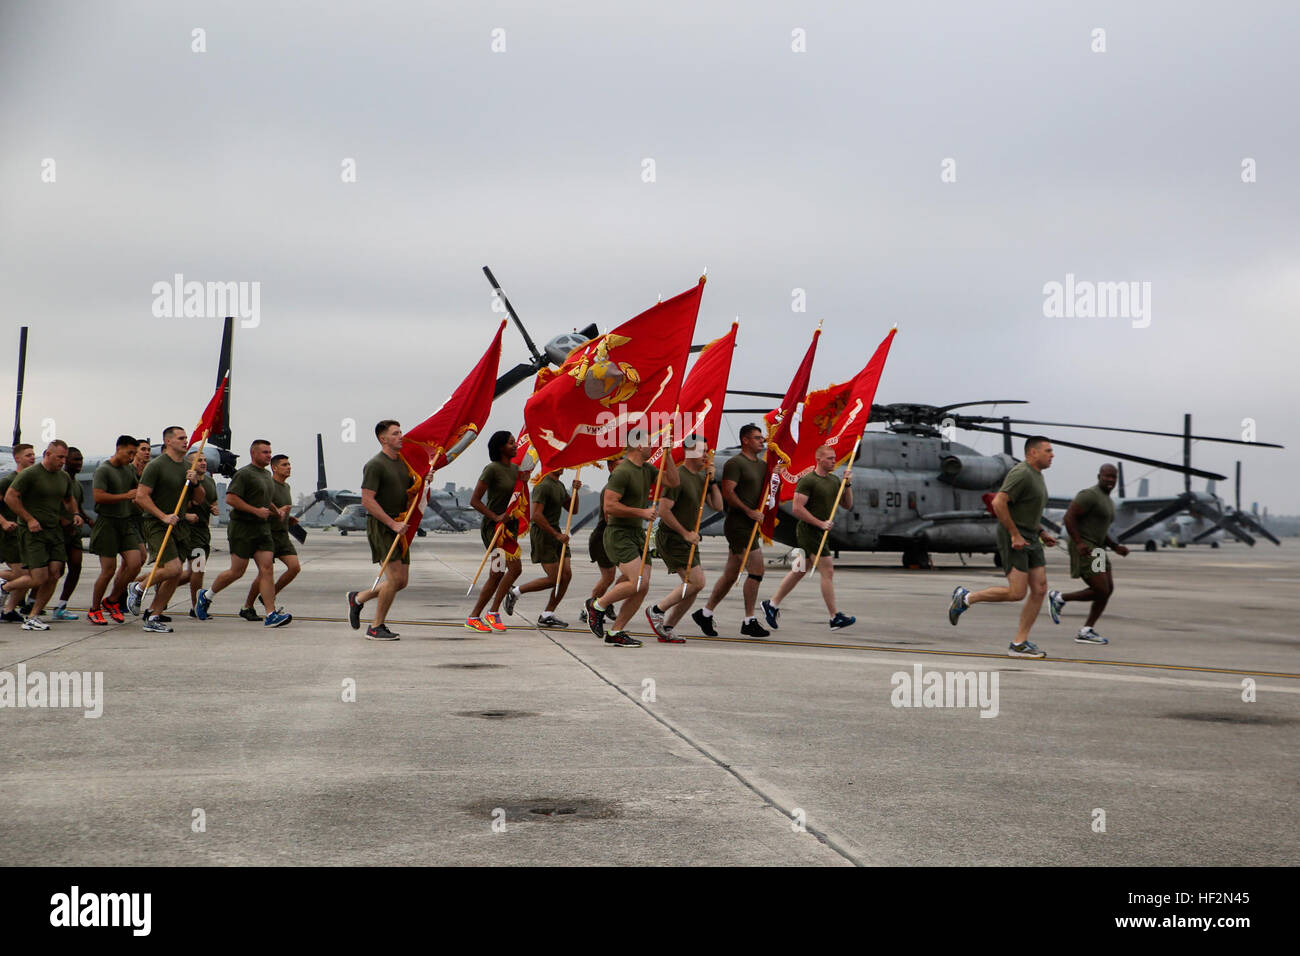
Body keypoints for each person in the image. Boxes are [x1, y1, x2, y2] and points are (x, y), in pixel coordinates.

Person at [948, 436, 1058, 658]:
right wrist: (1015, 535)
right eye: (1047, 450)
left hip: (1030, 536)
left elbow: (1024, 509)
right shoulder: (1022, 473)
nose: (1052, 454)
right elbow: (999, 503)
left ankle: (1019, 643)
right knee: (1017, 593)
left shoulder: (1037, 476)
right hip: (1015, 537)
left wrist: (1042, 532)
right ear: (1032, 453)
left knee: (1040, 589)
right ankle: (967, 598)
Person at [585, 428, 679, 648]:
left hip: (636, 534)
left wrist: (669, 453)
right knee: (637, 581)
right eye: (650, 443)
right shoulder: (622, 472)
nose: (652, 446)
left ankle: (616, 631)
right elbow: (610, 506)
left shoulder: (647, 469)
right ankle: (597, 606)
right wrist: (641, 513)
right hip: (618, 534)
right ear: (639, 445)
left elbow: (673, 482)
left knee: (643, 586)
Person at [195, 440, 291, 628]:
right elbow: (231, 498)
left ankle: (270, 614)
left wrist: (275, 510)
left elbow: (266, 498)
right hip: (242, 528)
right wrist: (255, 511)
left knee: (267, 569)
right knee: (237, 571)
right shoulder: (244, 474)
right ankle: (206, 596)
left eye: (269, 452)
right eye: (264, 452)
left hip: (262, 529)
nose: (268, 455)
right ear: (253, 453)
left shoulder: (265, 475)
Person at [760, 444, 856, 631]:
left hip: (821, 532)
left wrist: (848, 485)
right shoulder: (808, 481)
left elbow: (847, 504)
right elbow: (797, 508)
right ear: (818, 460)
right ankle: (834, 616)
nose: (834, 461)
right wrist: (820, 523)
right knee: (827, 571)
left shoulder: (835, 480)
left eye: (834, 458)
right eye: (829, 458)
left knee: (800, 570)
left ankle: (771, 604)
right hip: (810, 531)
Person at [693, 423, 769, 637]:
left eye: (761, 438)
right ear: (745, 440)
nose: (761, 441)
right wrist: (749, 511)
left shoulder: (762, 466)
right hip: (738, 525)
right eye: (757, 438)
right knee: (757, 570)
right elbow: (728, 493)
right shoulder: (735, 463)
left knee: (731, 574)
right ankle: (749, 620)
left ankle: (705, 613)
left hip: (752, 524)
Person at [644, 438, 723, 643]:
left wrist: (712, 481)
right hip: (673, 537)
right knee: (696, 582)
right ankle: (656, 610)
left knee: (693, 588)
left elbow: (718, 506)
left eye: (707, 451)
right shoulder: (678, 477)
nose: (706, 455)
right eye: (702, 451)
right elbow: (664, 510)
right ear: (688, 451)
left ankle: (668, 627)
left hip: (689, 539)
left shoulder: (699, 478)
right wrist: (684, 533)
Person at [127, 426, 204, 633]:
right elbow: (141, 496)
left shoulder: (187, 467)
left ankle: (154, 615)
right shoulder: (157, 466)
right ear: (168, 441)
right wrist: (162, 516)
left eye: (186, 438)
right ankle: (138, 587)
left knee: (173, 576)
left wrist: (195, 482)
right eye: (180, 438)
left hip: (179, 526)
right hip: (157, 524)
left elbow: (198, 500)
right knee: (173, 568)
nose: (185, 441)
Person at [345, 421, 413, 641]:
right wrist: (391, 524)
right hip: (382, 525)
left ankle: (358, 598)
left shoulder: (403, 464)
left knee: (402, 581)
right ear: (383, 439)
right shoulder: (375, 465)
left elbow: (410, 492)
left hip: (400, 526)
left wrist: (424, 481)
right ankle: (376, 627)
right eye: (395, 433)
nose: (401, 436)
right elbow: (367, 500)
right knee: (393, 579)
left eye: (401, 432)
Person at [2, 440, 81, 630]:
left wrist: (75, 514)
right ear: (47, 454)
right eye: (59, 457)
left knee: (54, 574)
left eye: (64, 457)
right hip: (32, 532)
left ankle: (33, 616)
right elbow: (10, 497)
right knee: (38, 577)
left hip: (53, 532)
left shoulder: (63, 478)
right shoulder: (31, 474)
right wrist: (28, 519)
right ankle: (3, 587)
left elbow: (68, 499)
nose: (63, 461)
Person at [1049, 463, 1129, 645]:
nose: (1110, 480)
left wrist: (1115, 546)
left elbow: (1100, 530)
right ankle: (1059, 598)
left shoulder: (1107, 500)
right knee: (1100, 589)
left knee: (1107, 590)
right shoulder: (1089, 495)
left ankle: (1087, 630)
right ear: (1099, 476)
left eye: (1113, 477)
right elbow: (1069, 517)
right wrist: (1078, 542)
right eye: (1106, 476)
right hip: (1086, 547)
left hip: (1098, 548)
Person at [503, 468, 581, 628]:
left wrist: (575, 492)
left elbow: (573, 509)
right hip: (544, 535)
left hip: (557, 534)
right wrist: (556, 535)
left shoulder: (559, 485)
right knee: (553, 578)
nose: (563, 466)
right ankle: (515, 592)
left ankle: (548, 614)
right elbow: (536, 515)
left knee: (566, 575)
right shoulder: (543, 486)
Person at [465, 431, 522, 633]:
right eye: (511, 443)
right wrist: (495, 517)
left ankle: (478, 615)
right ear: (500, 447)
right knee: (511, 570)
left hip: (510, 528)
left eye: (515, 442)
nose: (515, 445)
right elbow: (475, 501)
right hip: (495, 530)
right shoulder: (491, 469)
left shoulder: (517, 470)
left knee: (497, 574)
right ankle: (489, 613)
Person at [86, 436, 142, 625]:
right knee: (108, 570)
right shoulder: (104, 470)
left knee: (135, 563)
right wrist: (125, 496)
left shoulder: (128, 470)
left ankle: (112, 600)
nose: (131, 457)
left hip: (124, 523)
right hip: (107, 523)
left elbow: (138, 490)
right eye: (129, 453)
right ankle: (94, 609)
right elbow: (99, 496)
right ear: (118, 448)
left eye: (134, 453)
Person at [242, 453, 300, 620]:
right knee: (264, 573)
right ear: (274, 468)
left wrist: (288, 518)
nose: (288, 467)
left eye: (289, 464)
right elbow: (263, 508)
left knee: (294, 567)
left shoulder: (286, 487)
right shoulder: (269, 485)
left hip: (282, 535)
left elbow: (280, 512)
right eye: (284, 465)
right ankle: (248, 606)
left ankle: (269, 593)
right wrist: (279, 511)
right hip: (268, 534)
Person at [579, 458, 619, 629]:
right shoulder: (610, 488)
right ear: (610, 467)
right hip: (603, 538)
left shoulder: (619, 486)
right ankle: (593, 607)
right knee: (609, 576)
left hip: (612, 537)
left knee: (626, 575)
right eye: (620, 462)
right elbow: (610, 517)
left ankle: (603, 603)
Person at [51, 446, 90, 621]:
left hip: (74, 533)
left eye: (80, 459)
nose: (79, 463)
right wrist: (61, 520)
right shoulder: (57, 481)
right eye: (75, 459)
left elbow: (78, 507)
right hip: (57, 533)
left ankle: (61, 605)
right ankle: (30, 600)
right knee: (54, 571)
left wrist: (89, 520)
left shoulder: (77, 484)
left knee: (76, 566)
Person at [0, 443, 37, 622]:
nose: (32, 458)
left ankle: (8, 610)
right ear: (17, 458)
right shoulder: (8, 481)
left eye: (33, 455)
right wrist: (4, 522)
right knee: (25, 576)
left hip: (26, 535)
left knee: (31, 575)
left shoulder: (32, 480)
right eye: (28, 455)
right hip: (9, 536)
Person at [182, 454, 219, 618]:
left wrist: (214, 508)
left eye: (204, 460)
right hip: (191, 531)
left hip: (204, 530)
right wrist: (187, 511)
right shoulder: (186, 482)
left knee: (190, 574)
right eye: (199, 460)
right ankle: (196, 606)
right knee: (198, 569)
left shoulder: (210, 481)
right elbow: (177, 504)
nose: (203, 463)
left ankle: (156, 584)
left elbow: (213, 501)